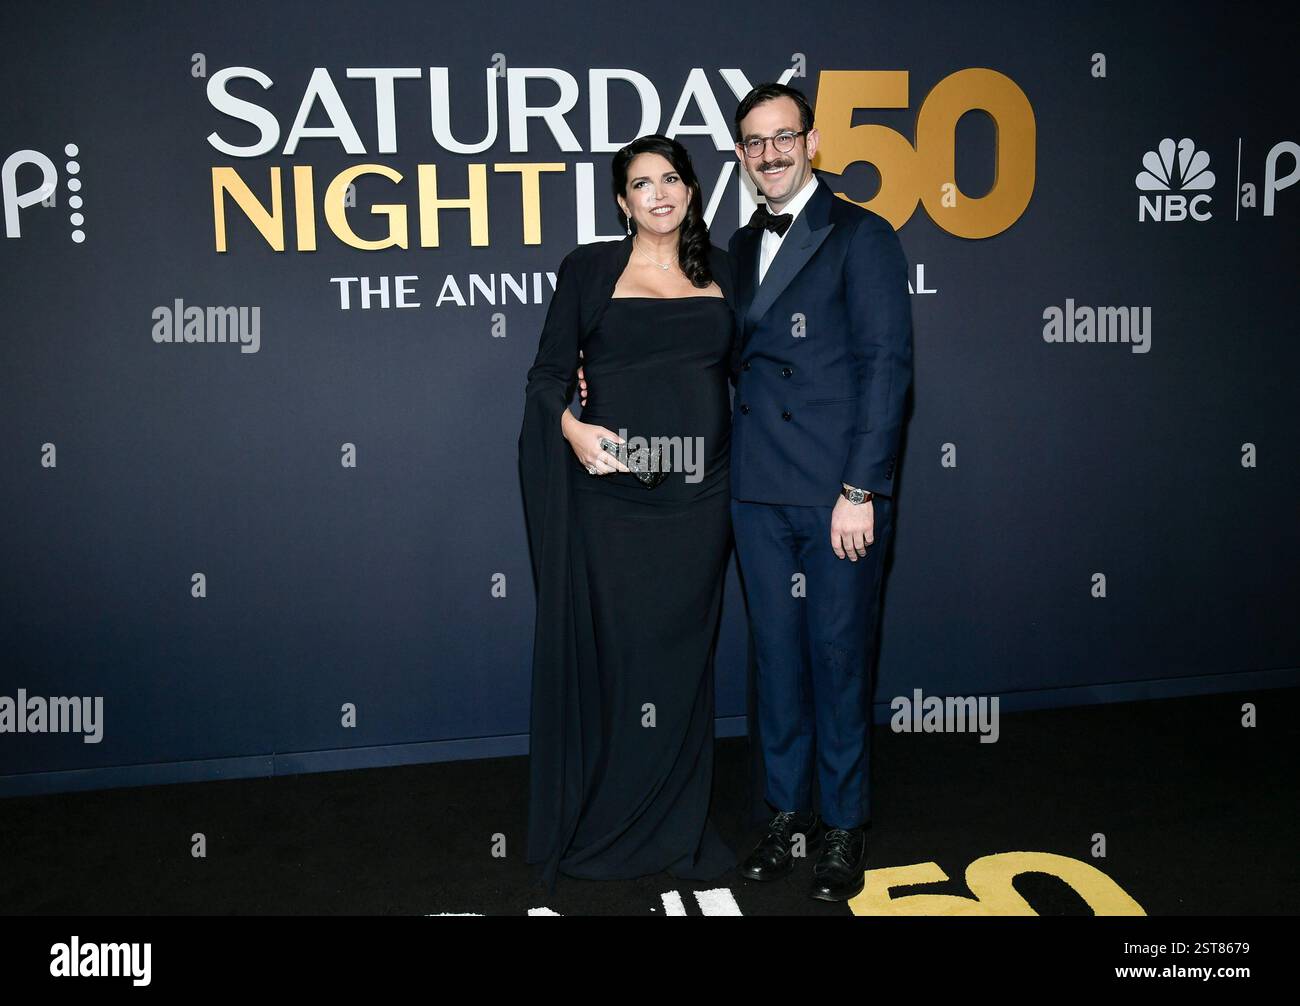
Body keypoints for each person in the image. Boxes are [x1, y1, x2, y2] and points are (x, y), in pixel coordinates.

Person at [580, 83, 913, 902]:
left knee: (837, 659)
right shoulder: (733, 246)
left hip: (836, 495)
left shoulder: (860, 236)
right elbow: (699, 355)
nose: (770, 152)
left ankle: (841, 827)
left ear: (812, 142)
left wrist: (861, 489)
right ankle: (783, 816)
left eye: (783, 136)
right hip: (755, 491)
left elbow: (887, 369)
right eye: (754, 142)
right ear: (739, 155)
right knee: (775, 662)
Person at [518, 134, 740, 893]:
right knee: (623, 660)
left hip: (701, 499)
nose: (658, 194)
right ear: (621, 201)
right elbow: (547, 373)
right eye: (641, 184)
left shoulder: (726, 272)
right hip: (614, 502)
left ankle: (677, 820)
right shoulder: (588, 269)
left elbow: (760, 374)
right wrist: (573, 431)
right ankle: (610, 817)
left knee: (682, 663)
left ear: (691, 189)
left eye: (671, 179)